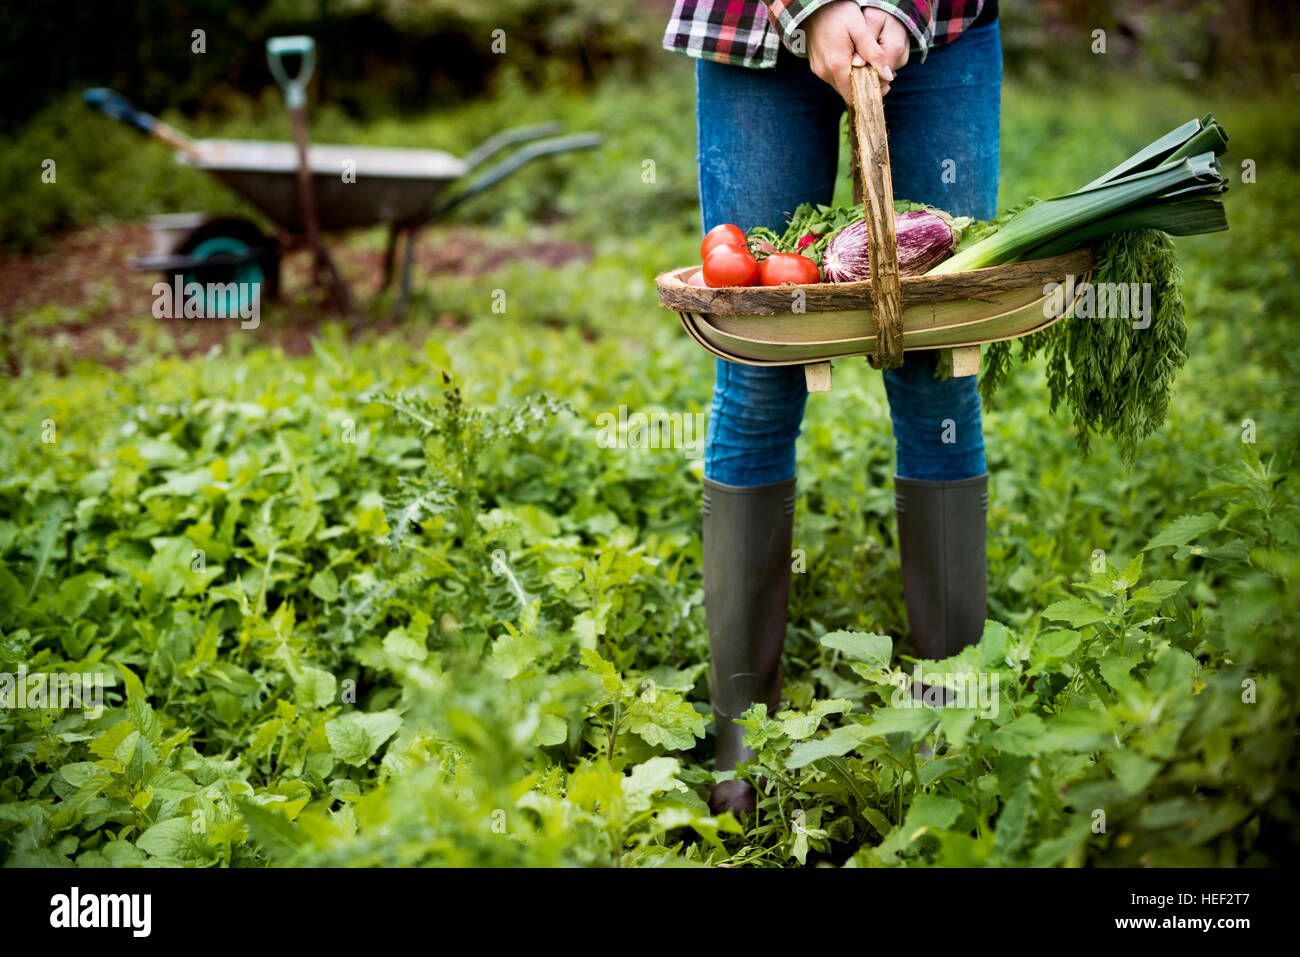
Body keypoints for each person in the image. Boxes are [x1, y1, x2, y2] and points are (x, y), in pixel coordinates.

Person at [662, 0, 1002, 815]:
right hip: (752, 30)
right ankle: (744, 742)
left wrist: (896, 8)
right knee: (758, 362)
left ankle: (954, 724)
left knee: (937, 358)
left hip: (939, 27)